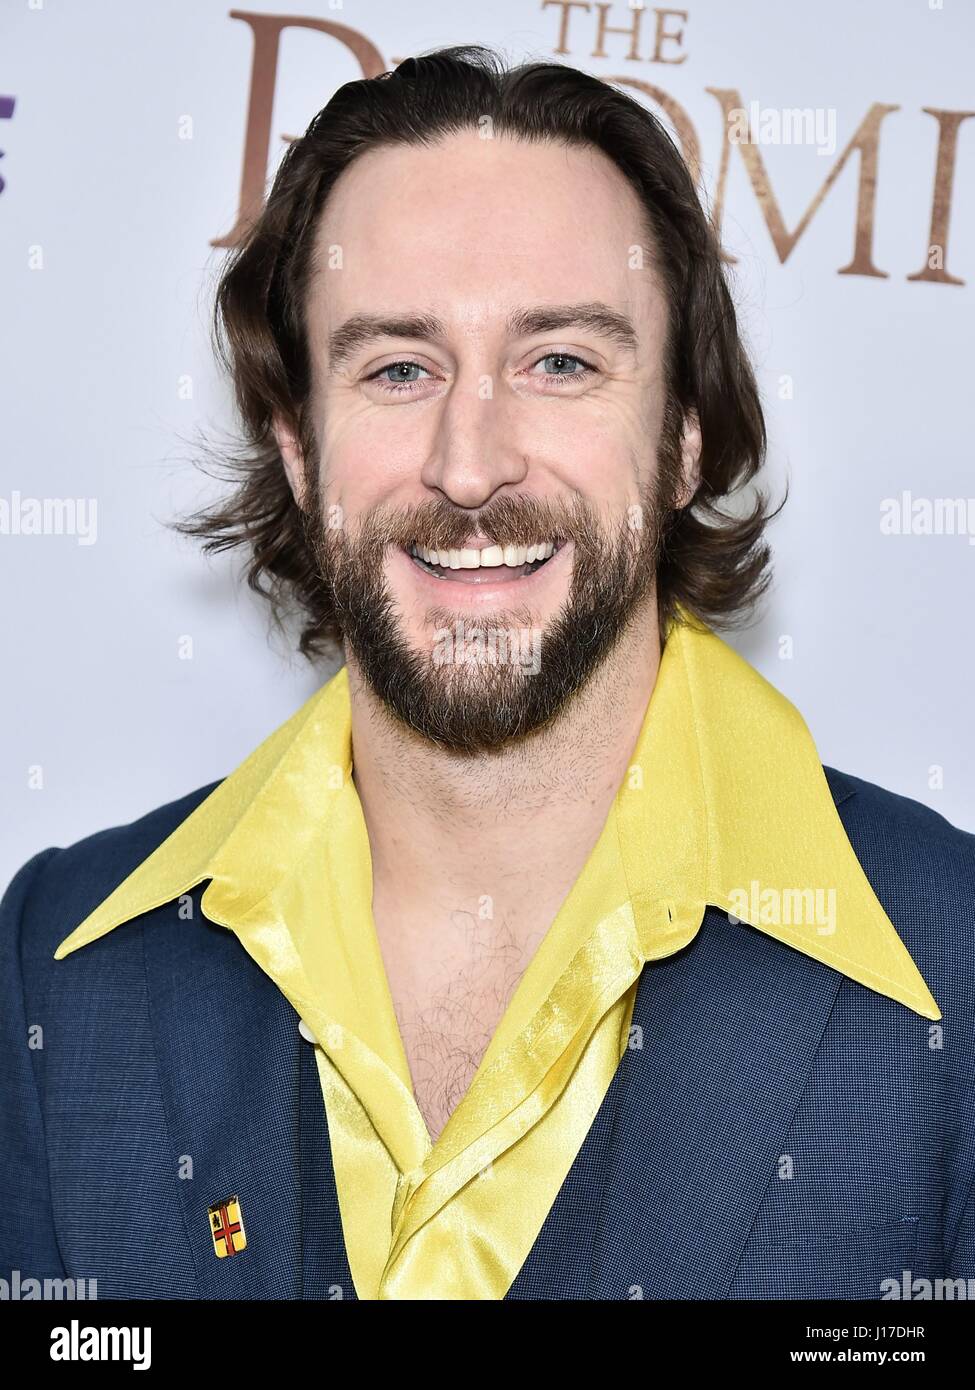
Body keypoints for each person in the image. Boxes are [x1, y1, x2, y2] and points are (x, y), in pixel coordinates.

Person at [2, 46, 972, 1302]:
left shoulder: (952, 962)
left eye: (559, 361)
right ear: (299, 451)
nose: (470, 465)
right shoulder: (61, 971)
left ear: (681, 439)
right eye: (398, 368)